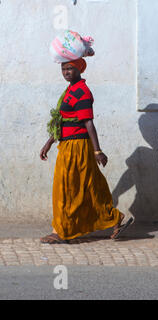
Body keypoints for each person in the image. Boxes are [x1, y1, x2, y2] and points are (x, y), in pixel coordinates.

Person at [39, 57, 134, 244]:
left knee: (67, 188)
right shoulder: (70, 91)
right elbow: (62, 120)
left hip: (77, 147)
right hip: (67, 145)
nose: (66, 72)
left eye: (70, 68)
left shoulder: (82, 92)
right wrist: (49, 143)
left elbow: (88, 122)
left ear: (80, 69)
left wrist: (97, 150)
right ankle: (113, 218)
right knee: (89, 186)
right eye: (63, 69)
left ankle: (62, 230)